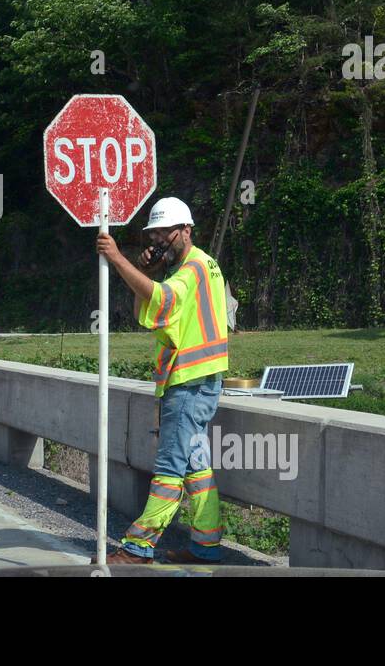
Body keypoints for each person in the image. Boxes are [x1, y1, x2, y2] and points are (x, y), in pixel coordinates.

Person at [94, 196, 229, 564]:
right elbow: (146, 313)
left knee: (170, 466)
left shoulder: (193, 271)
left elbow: (162, 300)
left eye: (165, 234)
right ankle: (206, 545)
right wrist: (146, 273)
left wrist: (119, 260)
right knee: (196, 467)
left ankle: (139, 547)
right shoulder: (199, 266)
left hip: (188, 383)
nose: (158, 243)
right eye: (154, 236)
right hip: (197, 381)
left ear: (186, 230)